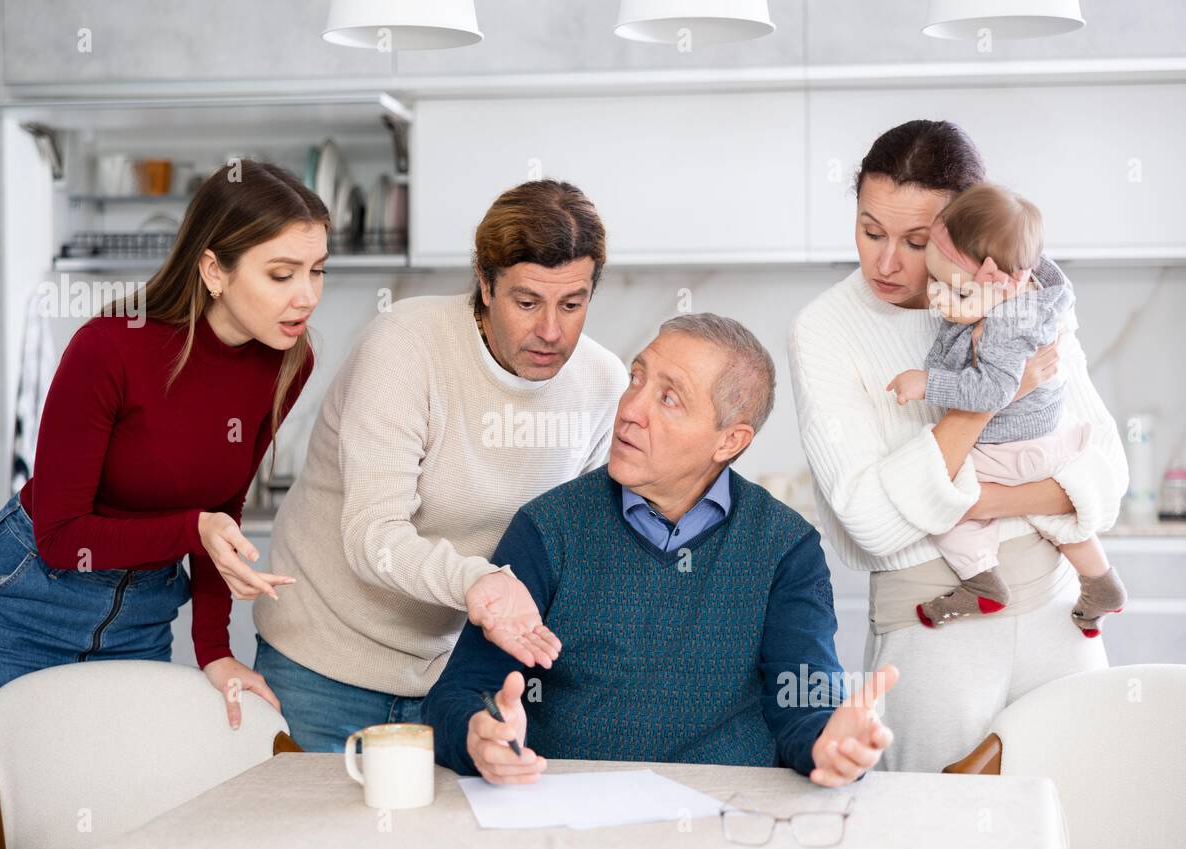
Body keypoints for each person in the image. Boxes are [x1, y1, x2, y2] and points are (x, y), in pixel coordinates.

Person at [0, 160, 323, 800]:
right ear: (213, 269)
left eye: (316, 271)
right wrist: (194, 528)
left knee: (116, 831)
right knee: (2, 847)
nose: (306, 295)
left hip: (138, 621)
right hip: (19, 609)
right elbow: (61, 537)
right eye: (282, 274)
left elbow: (218, 511)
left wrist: (215, 651)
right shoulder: (110, 349)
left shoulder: (287, 361)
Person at [423, 313, 898, 789]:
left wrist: (829, 744)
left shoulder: (784, 546)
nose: (631, 408)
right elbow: (460, 693)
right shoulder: (547, 528)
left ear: (729, 441)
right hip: (571, 819)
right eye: (637, 378)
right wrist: (477, 735)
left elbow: (803, 701)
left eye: (669, 398)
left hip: (723, 820)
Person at [787, 120, 1127, 773]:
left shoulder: (1031, 300)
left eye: (916, 241)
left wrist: (985, 497)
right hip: (931, 632)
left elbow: (1106, 476)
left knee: (1076, 827)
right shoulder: (826, 330)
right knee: (931, 836)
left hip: (1060, 615)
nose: (886, 263)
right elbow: (872, 522)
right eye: (869, 231)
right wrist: (998, 393)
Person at [253, 180, 629, 752]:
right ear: (484, 281)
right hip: (324, 665)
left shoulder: (602, 383)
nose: (551, 331)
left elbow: (579, 544)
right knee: (321, 839)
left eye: (572, 304)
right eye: (527, 302)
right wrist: (480, 581)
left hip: (458, 680)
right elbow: (372, 537)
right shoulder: (407, 346)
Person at [885, 182, 1127, 635]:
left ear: (1005, 283)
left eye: (956, 294)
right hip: (1049, 438)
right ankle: (1101, 581)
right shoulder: (1038, 292)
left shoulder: (1002, 328)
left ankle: (981, 581)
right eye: (935, 283)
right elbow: (1040, 267)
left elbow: (992, 392)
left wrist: (926, 384)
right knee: (1056, 515)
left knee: (944, 502)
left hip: (1009, 445)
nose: (939, 300)